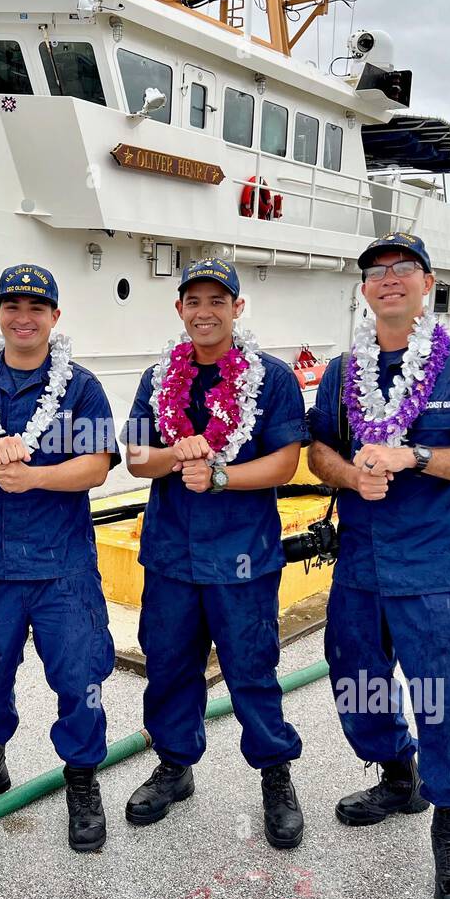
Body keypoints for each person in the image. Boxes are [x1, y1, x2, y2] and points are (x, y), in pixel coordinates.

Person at [306, 232, 450, 899]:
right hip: (361, 565)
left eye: (403, 268)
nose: (388, 278)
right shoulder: (341, 373)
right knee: (356, 678)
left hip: (433, 565)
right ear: (364, 288)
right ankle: (400, 774)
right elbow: (318, 451)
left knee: (442, 696)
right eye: (375, 270)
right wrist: (348, 477)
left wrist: (416, 456)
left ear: (428, 284)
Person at [0, 264, 121, 851]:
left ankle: (83, 779)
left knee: (78, 673)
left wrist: (34, 477)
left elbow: (97, 464)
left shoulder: (81, 387)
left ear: (54, 318)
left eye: (36, 307)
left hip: (61, 565)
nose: (24, 317)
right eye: (12, 305)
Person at [121, 259, 307, 849]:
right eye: (193, 302)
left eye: (217, 301)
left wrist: (221, 476)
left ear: (237, 308)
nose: (205, 312)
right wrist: (179, 454)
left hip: (243, 558)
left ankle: (275, 776)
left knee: (252, 668)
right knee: (170, 665)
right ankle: (175, 766)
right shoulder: (156, 379)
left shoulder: (270, 377)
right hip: (172, 554)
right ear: (179, 310)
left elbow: (284, 462)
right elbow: (135, 457)